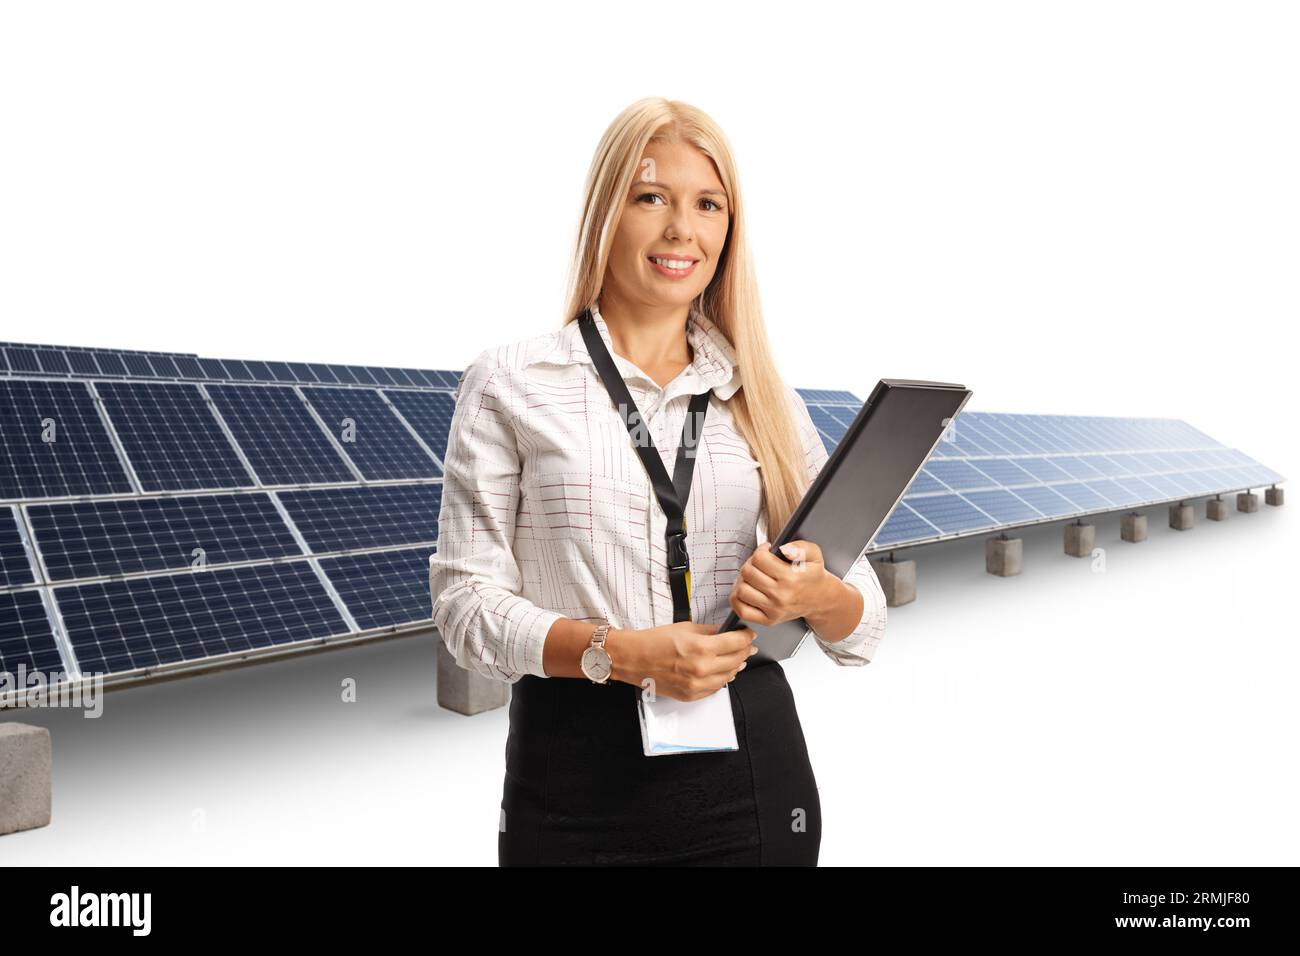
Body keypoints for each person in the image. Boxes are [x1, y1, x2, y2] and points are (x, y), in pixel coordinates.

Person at [429, 96, 888, 866]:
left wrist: (817, 596)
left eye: (708, 204)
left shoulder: (763, 397)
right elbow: (465, 610)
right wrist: (624, 653)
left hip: (751, 783)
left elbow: (865, 620)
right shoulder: (510, 382)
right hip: (571, 788)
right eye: (653, 198)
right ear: (608, 213)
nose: (683, 228)